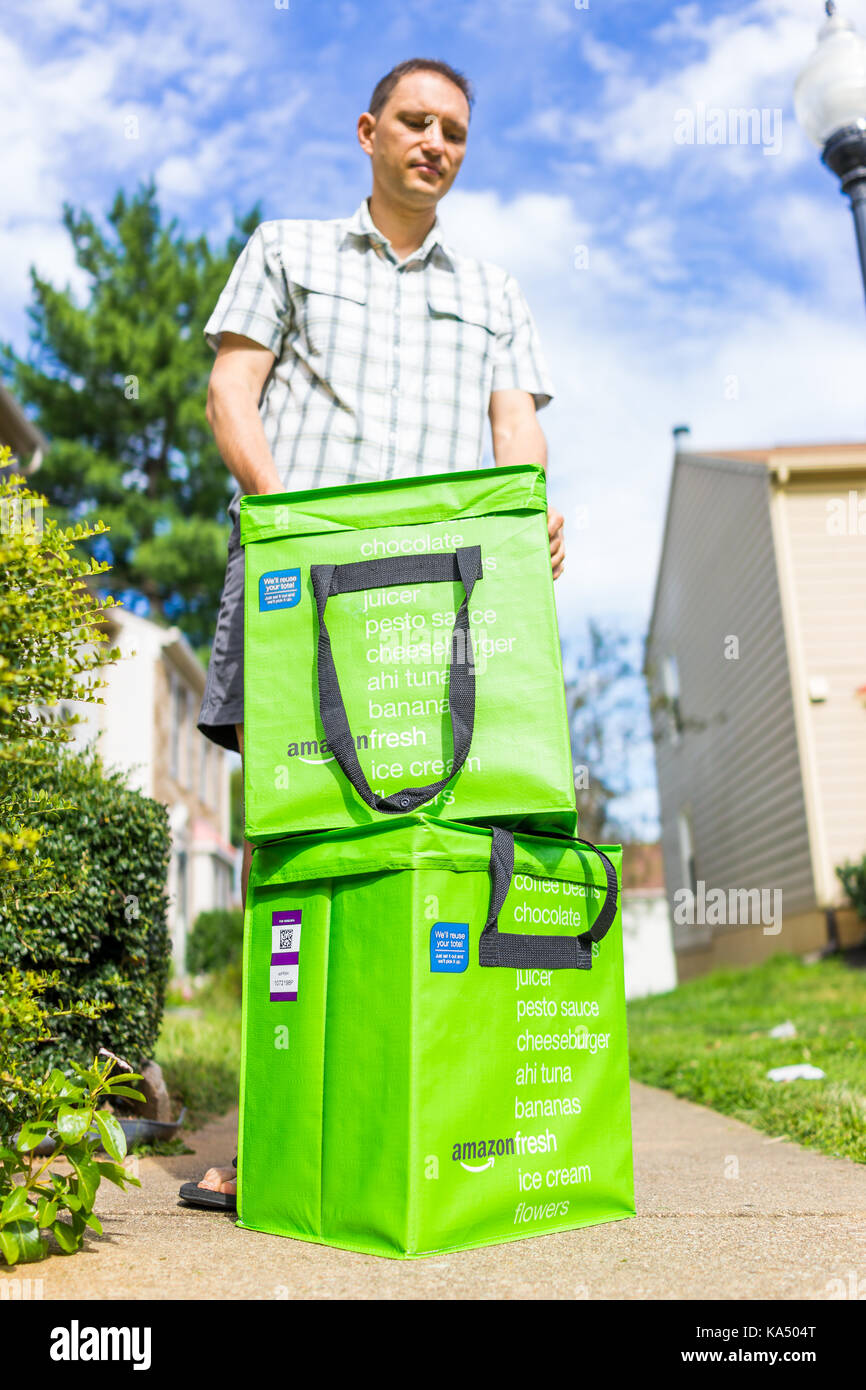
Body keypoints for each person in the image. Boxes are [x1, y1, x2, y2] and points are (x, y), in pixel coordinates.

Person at [180, 56, 564, 1211]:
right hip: (304, 590)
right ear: (366, 131)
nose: (434, 142)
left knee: (438, 856)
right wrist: (288, 516)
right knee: (295, 854)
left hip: (434, 608)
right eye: (414, 121)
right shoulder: (287, 250)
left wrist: (528, 514)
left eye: (453, 129)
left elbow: (516, 439)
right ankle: (275, 1133)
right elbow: (228, 398)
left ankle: (430, 1126)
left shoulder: (496, 292)